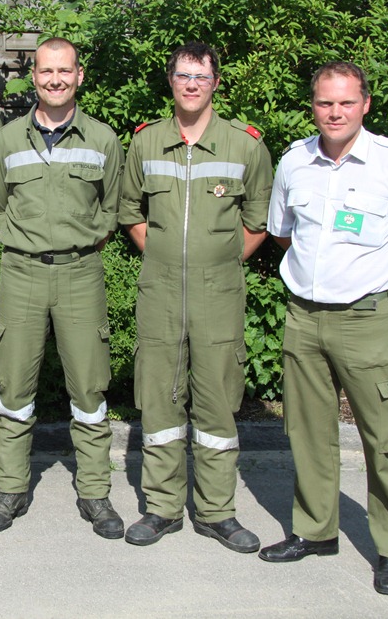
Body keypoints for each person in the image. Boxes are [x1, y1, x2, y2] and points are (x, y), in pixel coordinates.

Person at [260, 61, 388, 594]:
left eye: (346, 102)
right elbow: (282, 234)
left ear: (365, 104)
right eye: (325, 103)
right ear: (313, 105)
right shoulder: (294, 161)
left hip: (366, 319)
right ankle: (315, 531)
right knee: (307, 431)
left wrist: (379, 271)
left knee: (384, 437)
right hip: (304, 316)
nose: (335, 112)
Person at [118, 42, 272, 551]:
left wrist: (217, 263)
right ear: (171, 81)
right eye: (183, 75)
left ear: (215, 83)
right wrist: (163, 256)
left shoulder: (244, 145)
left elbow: (257, 223)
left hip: (218, 294)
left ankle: (216, 511)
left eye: (200, 77)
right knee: (159, 399)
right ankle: (161, 508)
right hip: (159, 289)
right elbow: (130, 213)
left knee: (218, 403)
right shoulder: (145, 142)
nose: (191, 84)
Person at [0, 37, 125, 538]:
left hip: (81, 274)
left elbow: (112, 209)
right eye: (46, 71)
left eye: (64, 71)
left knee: (89, 388)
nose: (55, 79)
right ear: (34, 77)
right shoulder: (7, 139)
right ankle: (11, 488)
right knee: (14, 387)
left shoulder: (103, 139)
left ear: (79, 75)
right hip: (22, 274)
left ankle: (95, 494)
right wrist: (20, 240)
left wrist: (79, 243)